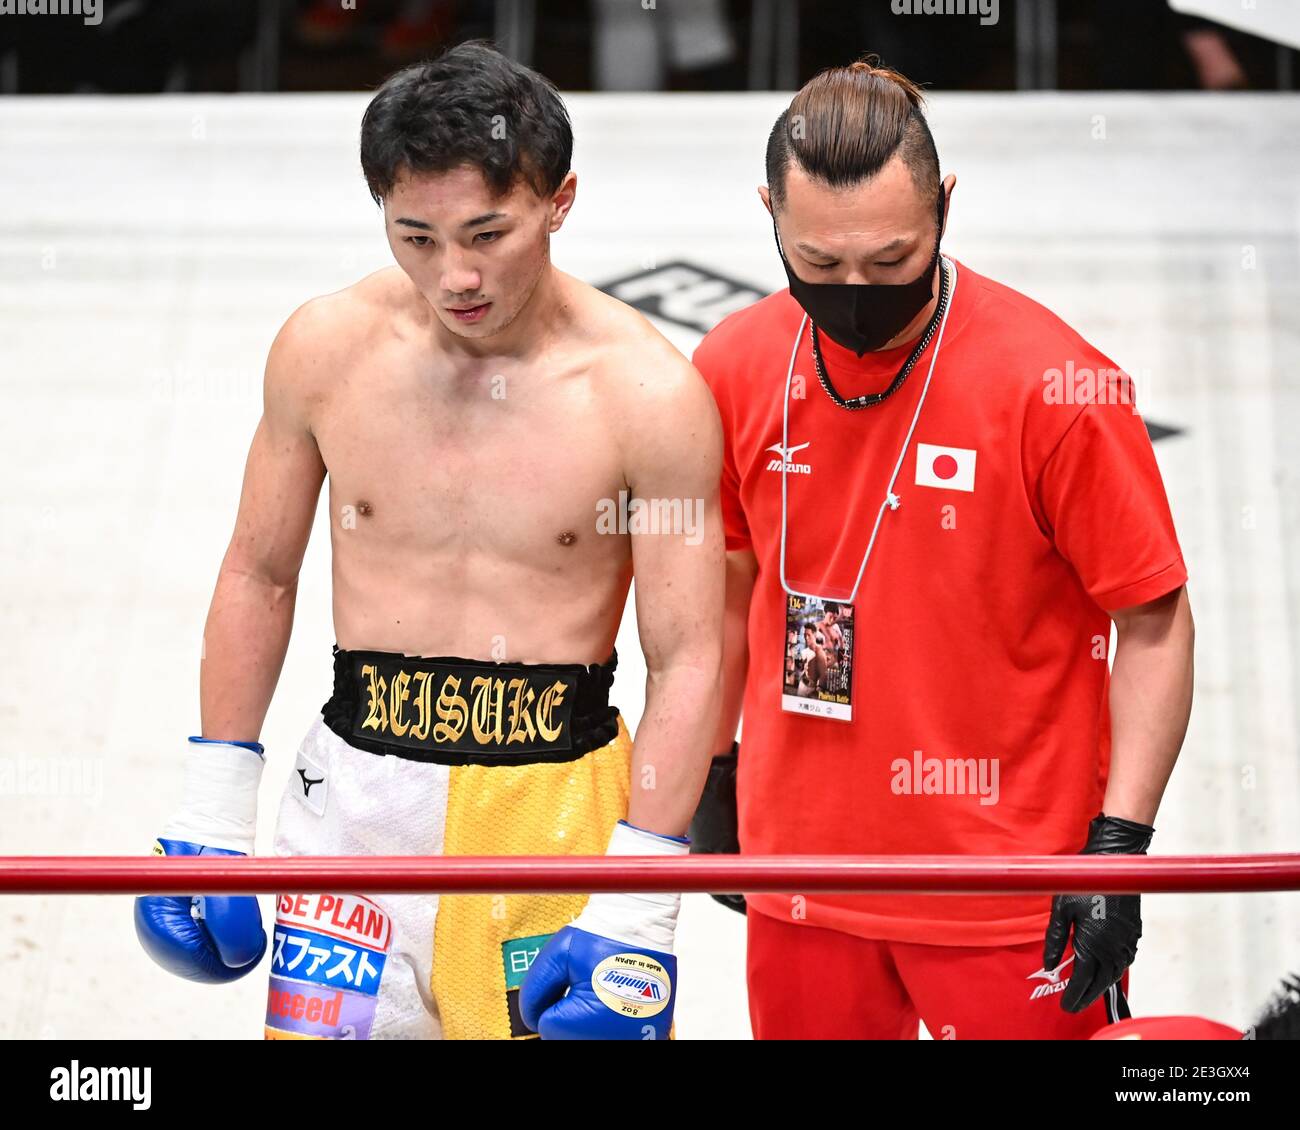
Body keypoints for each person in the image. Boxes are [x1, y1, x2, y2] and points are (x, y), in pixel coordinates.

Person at [134, 40, 723, 1041]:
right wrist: (214, 811)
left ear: (558, 199)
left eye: (486, 232)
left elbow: (688, 653)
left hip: (554, 803)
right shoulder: (324, 349)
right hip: (354, 798)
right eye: (416, 236)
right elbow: (259, 572)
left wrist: (642, 894)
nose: (454, 274)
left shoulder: (648, 394)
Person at [692, 58, 1194, 1039]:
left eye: (889, 261)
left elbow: (1153, 623)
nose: (852, 292)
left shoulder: (1056, 387)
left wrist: (1118, 847)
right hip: (800, 882)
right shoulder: (733, 363)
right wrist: (714, 772)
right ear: (768, 214)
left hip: (1009, 894)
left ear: (945, 209)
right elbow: (726, 584)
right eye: (818, 262)